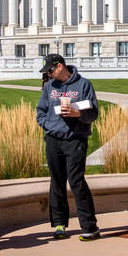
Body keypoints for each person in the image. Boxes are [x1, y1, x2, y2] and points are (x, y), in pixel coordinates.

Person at [35, 54, 101, 241]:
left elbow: (93, 114)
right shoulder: (49, 86)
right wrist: (49, 125)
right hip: (53, 140)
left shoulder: (84, 84)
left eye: (49, 70)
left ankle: (90, 227)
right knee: (57, 181)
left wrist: (77, 113)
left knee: (76, 181)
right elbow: (40, 111)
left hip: (75, 140)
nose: (47, 74)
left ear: (59, 66)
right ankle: (59, 224)